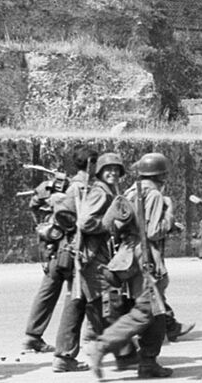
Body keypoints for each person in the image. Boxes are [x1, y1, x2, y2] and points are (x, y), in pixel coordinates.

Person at [83, 152, 179, 379]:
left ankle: (148, 362)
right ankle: (101, 345)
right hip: (146, 257)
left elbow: (116, 225)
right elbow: (153, 231)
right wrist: (170, 216)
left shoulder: (130, 192)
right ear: (161, 175)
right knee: (145, 311)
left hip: (129, 256)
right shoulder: (154, 194)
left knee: (157, 313)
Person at [51, 151, 137, 373]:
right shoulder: (100, 191)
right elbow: (85, 222)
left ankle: (64, 356)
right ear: (99, 172)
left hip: (89, 257)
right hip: (93, 258)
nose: (113, 173)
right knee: (107, 305)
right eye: (108, 170)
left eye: (116, 170)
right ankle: (124, 354)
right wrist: (109, 225)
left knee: (78, 304)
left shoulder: (108, 190)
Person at [23, 148, 96, 354]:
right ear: (91, 164)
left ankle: (32, 336)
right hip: (73, 249)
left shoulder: (62, 186)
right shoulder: (83, 188)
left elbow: (35, 205)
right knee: (81, 294)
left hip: (53, 248)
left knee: (48, 291)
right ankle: (90, 338)